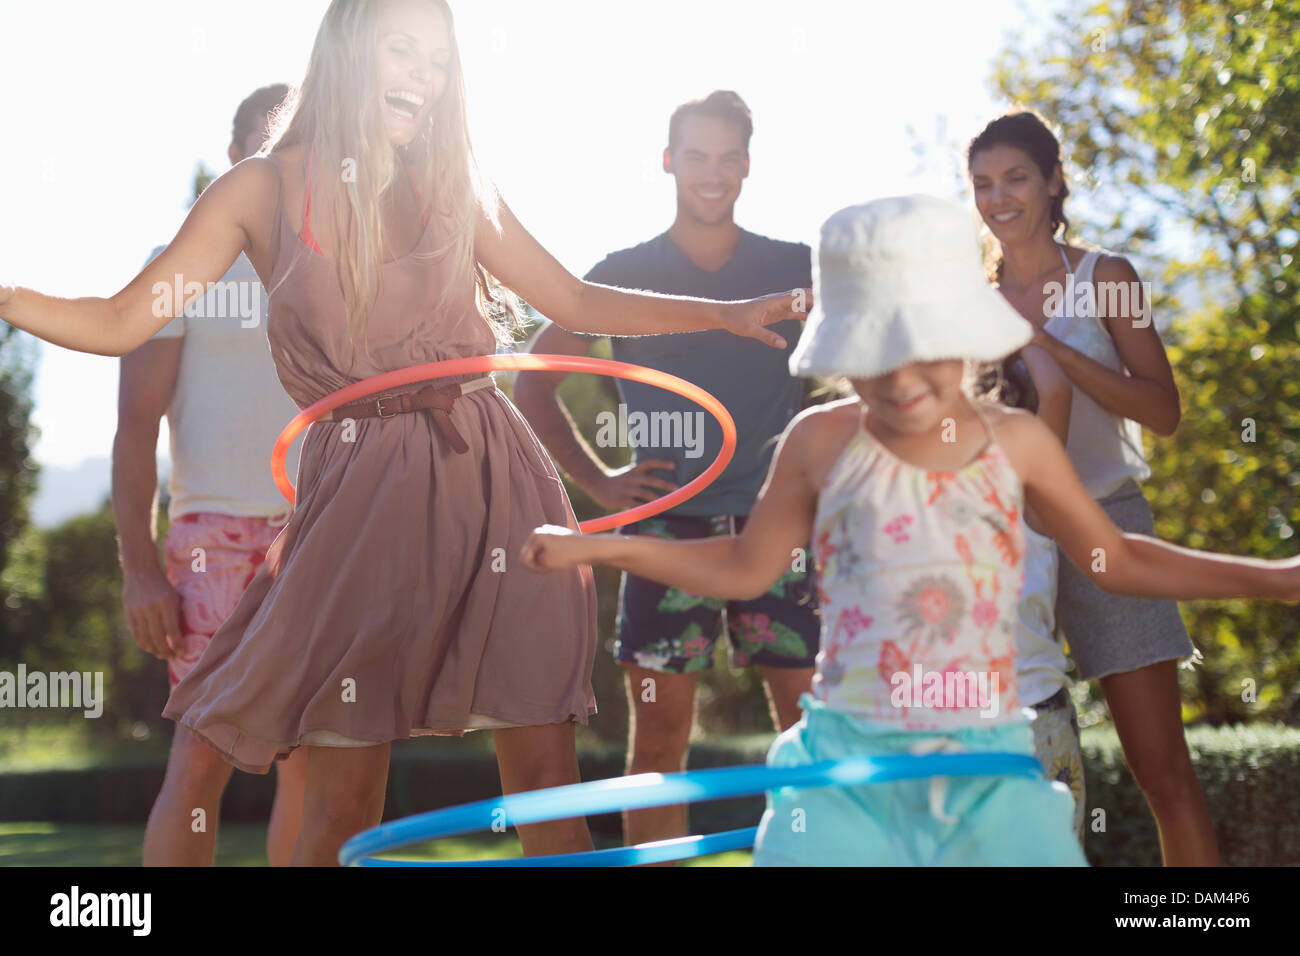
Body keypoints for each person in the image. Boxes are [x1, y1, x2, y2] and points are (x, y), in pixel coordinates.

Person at [0, 0, 803, 866]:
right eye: (402, 52)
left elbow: (570, 300)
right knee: (343, 797)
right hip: (357, 493)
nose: (423, 76)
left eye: (438, 60)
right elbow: (125, 318)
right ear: (348, 50)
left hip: (492, 475)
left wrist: (723, 314)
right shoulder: (259, 189)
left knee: (544, 777)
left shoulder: (453, 178)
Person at [521, 195, 1299, 865]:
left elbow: (1114, 557)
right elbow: (746, 567)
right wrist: (602, 544)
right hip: (842, 762)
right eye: (870, 357)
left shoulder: (1015, 444)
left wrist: (1273, 578)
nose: (899, 383)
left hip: (988, 764)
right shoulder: (820, 441)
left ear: (966, 336)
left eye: (922, 354)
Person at [512, 90, 817, 853]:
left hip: (780, 528)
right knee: (657, 745)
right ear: (668, 161)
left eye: (727, 158)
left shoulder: (797, 270)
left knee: (811, 739)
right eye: (695, 156)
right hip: (662, 531)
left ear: (746, 165)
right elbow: (532, 379)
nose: (711, 174)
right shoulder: (622, 274)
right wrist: (602, 483)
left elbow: (871, 369)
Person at [968, 110, 1215, 865]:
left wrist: (1049, 351)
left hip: (1108, 526)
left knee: (1161, 769)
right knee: (993, 761)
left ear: (1052, 181)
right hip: (1008, 546)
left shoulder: (1106, 278)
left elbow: (1163, 410)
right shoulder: (968, 301)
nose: (998, 197)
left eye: (1015, 178)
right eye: (981, 184)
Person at [113, 84, 306, 866]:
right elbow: (134, 430)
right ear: (233, 163)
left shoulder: (334, 275)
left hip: (318, 534)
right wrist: (138, 569)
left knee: (314, 760)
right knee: (199, 760)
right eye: (264, 153)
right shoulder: (176, 268)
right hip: (209, 543)